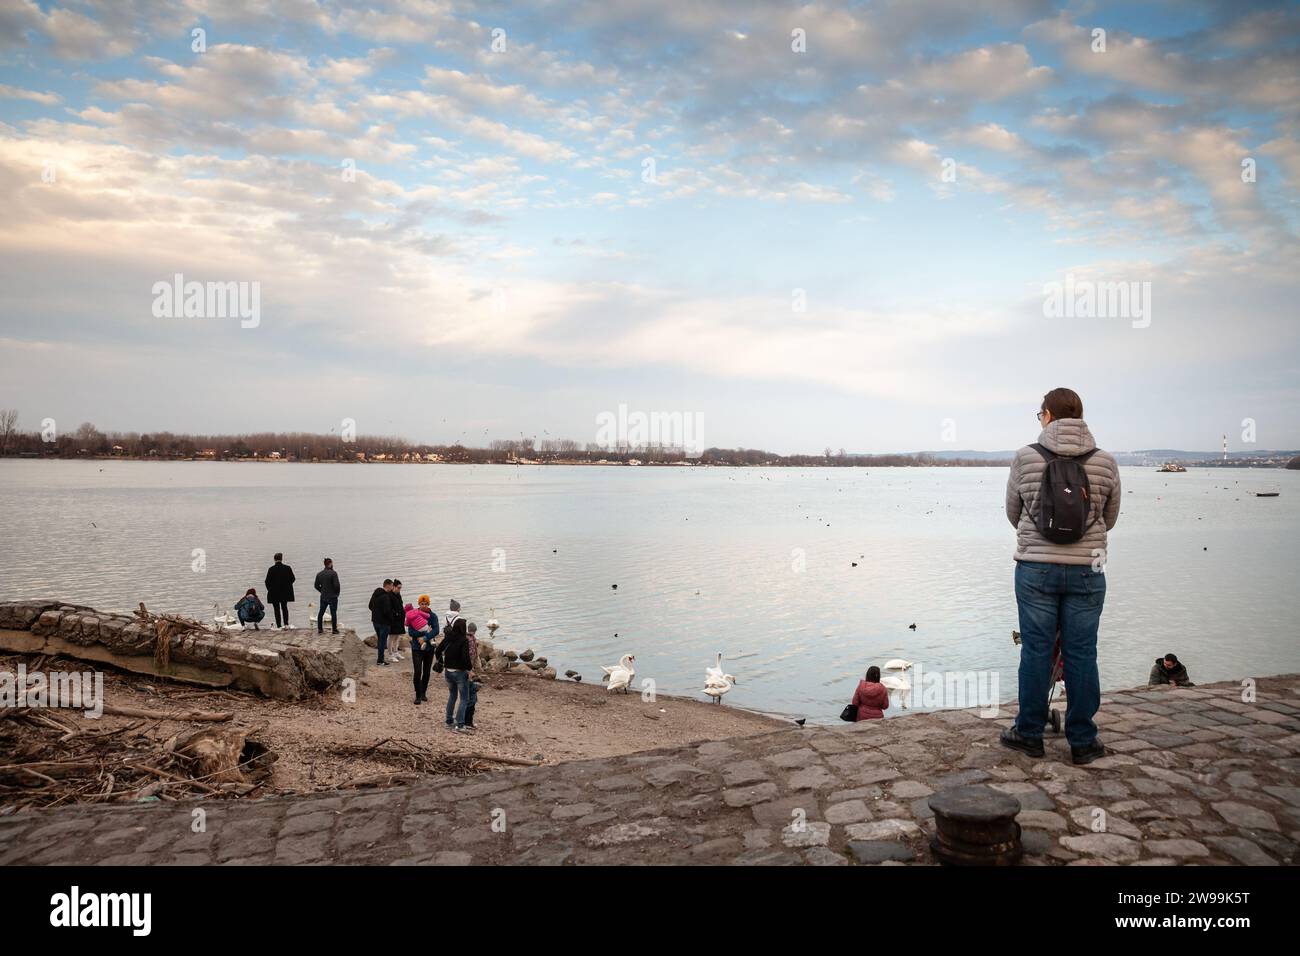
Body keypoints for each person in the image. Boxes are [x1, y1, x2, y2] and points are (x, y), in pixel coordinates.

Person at [1001, 387, 1121, 766]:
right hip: (1088, 568)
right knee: (1082, 652)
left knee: (1036, 651)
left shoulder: (1025, 458)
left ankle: (1029, 733)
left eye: (1040, 414)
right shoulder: (1105, 461)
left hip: (1036, 567)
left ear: (1048, 416)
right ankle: (1083, 741)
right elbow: (1109, 518)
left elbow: (1012, 512)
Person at [439, 611, 474, 732]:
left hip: (448, 672)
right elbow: (465, 658)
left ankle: (449, 721)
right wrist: (469, 669)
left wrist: (443, 661)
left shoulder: (448, 637)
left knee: (452, 696)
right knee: (464, 698)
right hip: (459, 673)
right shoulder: (463, 640)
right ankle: (460, 724)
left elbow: (438, 650)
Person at [407, 596, 439, 705]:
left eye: (426, 603)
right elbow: (411, 632)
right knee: (417, 671)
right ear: (419, 604)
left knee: (426, 672)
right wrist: (425, 633)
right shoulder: (413, 615)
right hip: (416, 647)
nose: (424, 605)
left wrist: (425, 638)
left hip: (429, 648)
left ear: (428, 604)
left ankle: (424, 692)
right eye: (422, 604)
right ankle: (417, 695)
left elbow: (436, 630)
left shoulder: (433, 616)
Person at [264, 553, 296, 629]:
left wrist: (270, 589)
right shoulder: (287, 568)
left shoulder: (271, 569)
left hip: (274, 593)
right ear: (282, 559)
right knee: (284, 607)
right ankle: (286, 624)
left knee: (276, 609)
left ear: (274, 559)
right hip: (285, 592)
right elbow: (293, 579)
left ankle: (278, 625)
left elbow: (267, 581)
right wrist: (287, 585)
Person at [369, 579, 394, 666]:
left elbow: (370, 606)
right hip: (384, 622)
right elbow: (387, 611)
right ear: (387, 586)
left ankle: (380, 658)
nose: (392, 588)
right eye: (392, 586)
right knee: (382, 641)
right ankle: (380, 660)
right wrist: (391, 619)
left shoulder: (375, 594)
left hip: (375, 621)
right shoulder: (386, 596)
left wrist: (376, 612)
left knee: (380, 640)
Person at [314, 558, 340, 634]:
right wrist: (337, 593)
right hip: (332, 596)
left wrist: (321, 591)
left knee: (321, 612)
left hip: (323, 596)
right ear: (330, 564)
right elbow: (336, 586)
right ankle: (334, 629)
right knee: (333, 613)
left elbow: (316, 585)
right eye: (332, 563)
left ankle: (320, 629)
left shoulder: (319, 574)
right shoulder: (333, 573)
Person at [387, 579, 406, 664]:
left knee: (398, 636)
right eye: (398, 588)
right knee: (391, 637)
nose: (399, 589)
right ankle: (390, 654)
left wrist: (402, 614)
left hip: (400, 619)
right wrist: (396, 614)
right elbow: (389, 609)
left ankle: (395, 652)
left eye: (400, 588)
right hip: (393, 619)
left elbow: (400, 605)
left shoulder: (398, 595)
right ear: (393, 587)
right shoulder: (389, 595)